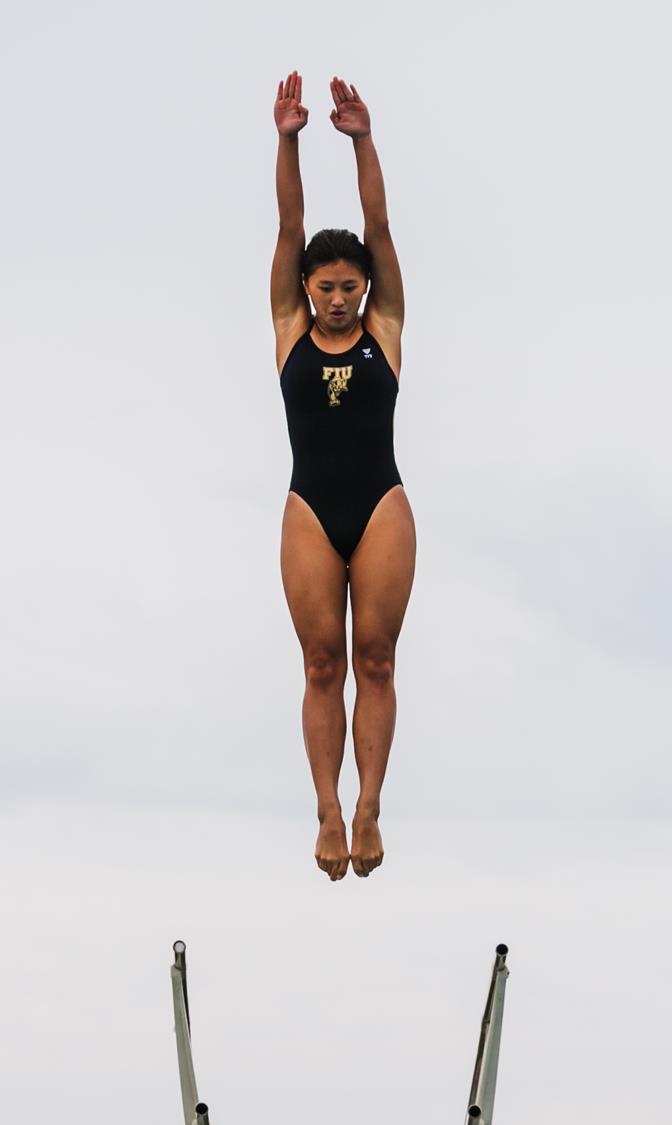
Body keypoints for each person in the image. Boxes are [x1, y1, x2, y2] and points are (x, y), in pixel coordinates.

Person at [270, 72, 414, 881]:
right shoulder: (290, 326)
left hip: (382, 502)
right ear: (304, 291)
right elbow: (289, 225)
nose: (335, 301)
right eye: (325, 288)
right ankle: (327, 806)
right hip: (310, 508)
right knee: (322, 660)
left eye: (348, 288)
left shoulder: (382, 329)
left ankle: (369, 804)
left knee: (377, 658)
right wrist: (288, 139)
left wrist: (361, 138)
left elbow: (380, 225)